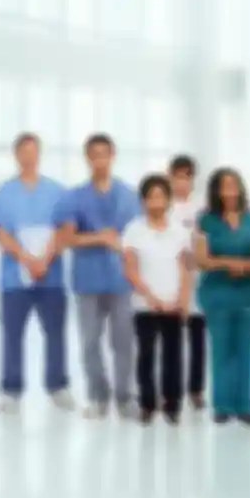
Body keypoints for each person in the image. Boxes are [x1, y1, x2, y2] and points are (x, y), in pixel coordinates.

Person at [0, 133, 72, 413]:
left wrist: (44, 260)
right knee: (12, 333)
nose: (29, 156)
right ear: (16, 155)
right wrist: (25, 259)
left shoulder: (57, 191)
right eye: (23, 151)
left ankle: (57, 385)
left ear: (40, 154)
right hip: (14, 278)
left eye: (33, 151)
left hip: (51, 275)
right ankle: (11, 388)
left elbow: (65, 230)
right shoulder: (4, 193)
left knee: (55, 332)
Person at [57, 133, 141, 419]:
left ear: (113, 156)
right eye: (94, 154)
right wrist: (100, 238)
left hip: (121, 280)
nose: (100, 160)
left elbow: (136, 238)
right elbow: (68, 239)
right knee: (90, 342)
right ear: (87, 158)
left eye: (105, 154)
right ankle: (97, 396)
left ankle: (125, 397)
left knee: (124, 342)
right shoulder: (74, 197)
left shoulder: (129, 196)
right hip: (88, 281)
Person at [193, 167, 250, 426]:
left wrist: (246, 267)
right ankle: (222, 405)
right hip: (217, 293)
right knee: (221, 350)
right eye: (223, 186)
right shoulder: (205, 220)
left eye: (233, 185)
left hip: (249, 293)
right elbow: (201, 259)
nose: (229, 190)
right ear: (216, 191)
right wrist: (230, 264)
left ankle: (244, 405)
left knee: (245, 350)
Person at [123, 174, 194, 425]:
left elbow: (187, 268)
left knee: (173, 355)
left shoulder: (180, 232)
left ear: (168, 199)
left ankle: (172, 404)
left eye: (161, 196)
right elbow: (130, 269)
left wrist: (183, 299)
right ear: (143, 201)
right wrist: (151, 297)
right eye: (151, 196)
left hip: (174, 303)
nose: (156, 201)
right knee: (146, 355)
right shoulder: (134, 230)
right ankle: (147, 404)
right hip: (145, 304)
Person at [168, 154, 208, 410]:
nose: (182, 183)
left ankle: (196, 389)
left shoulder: (202, 209)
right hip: (168, 279)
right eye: (177, 177)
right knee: (170, 338)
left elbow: (205, 242)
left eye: (187, 177)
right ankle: (171, 388)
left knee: (197, 339)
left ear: (193, 180)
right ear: (169, 177)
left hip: (196, 280)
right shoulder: (162, 205)